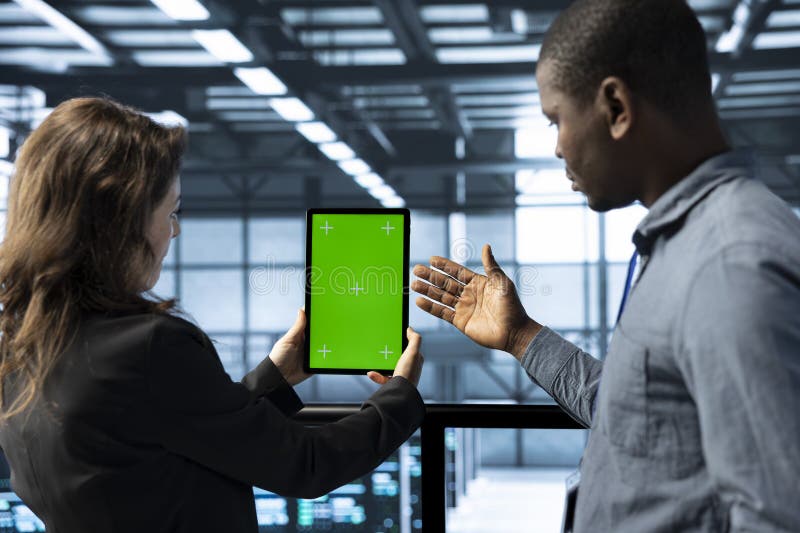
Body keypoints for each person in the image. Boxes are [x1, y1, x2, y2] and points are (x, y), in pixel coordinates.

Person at [412, 0, 800, 531]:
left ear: (616, 106)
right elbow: (637, 421)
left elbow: (778, 514)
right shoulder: (683, 245)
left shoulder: (728, 266)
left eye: (557, 120)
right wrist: (521, 336)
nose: (556, 147)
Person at [0, 97, 425, 533]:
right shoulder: (150, 347)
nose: (174, 230)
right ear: (121, 220)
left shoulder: (20, 345)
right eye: (170, 212)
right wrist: (400, 395)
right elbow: (306, 463)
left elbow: (174, 433)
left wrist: (272, 379)